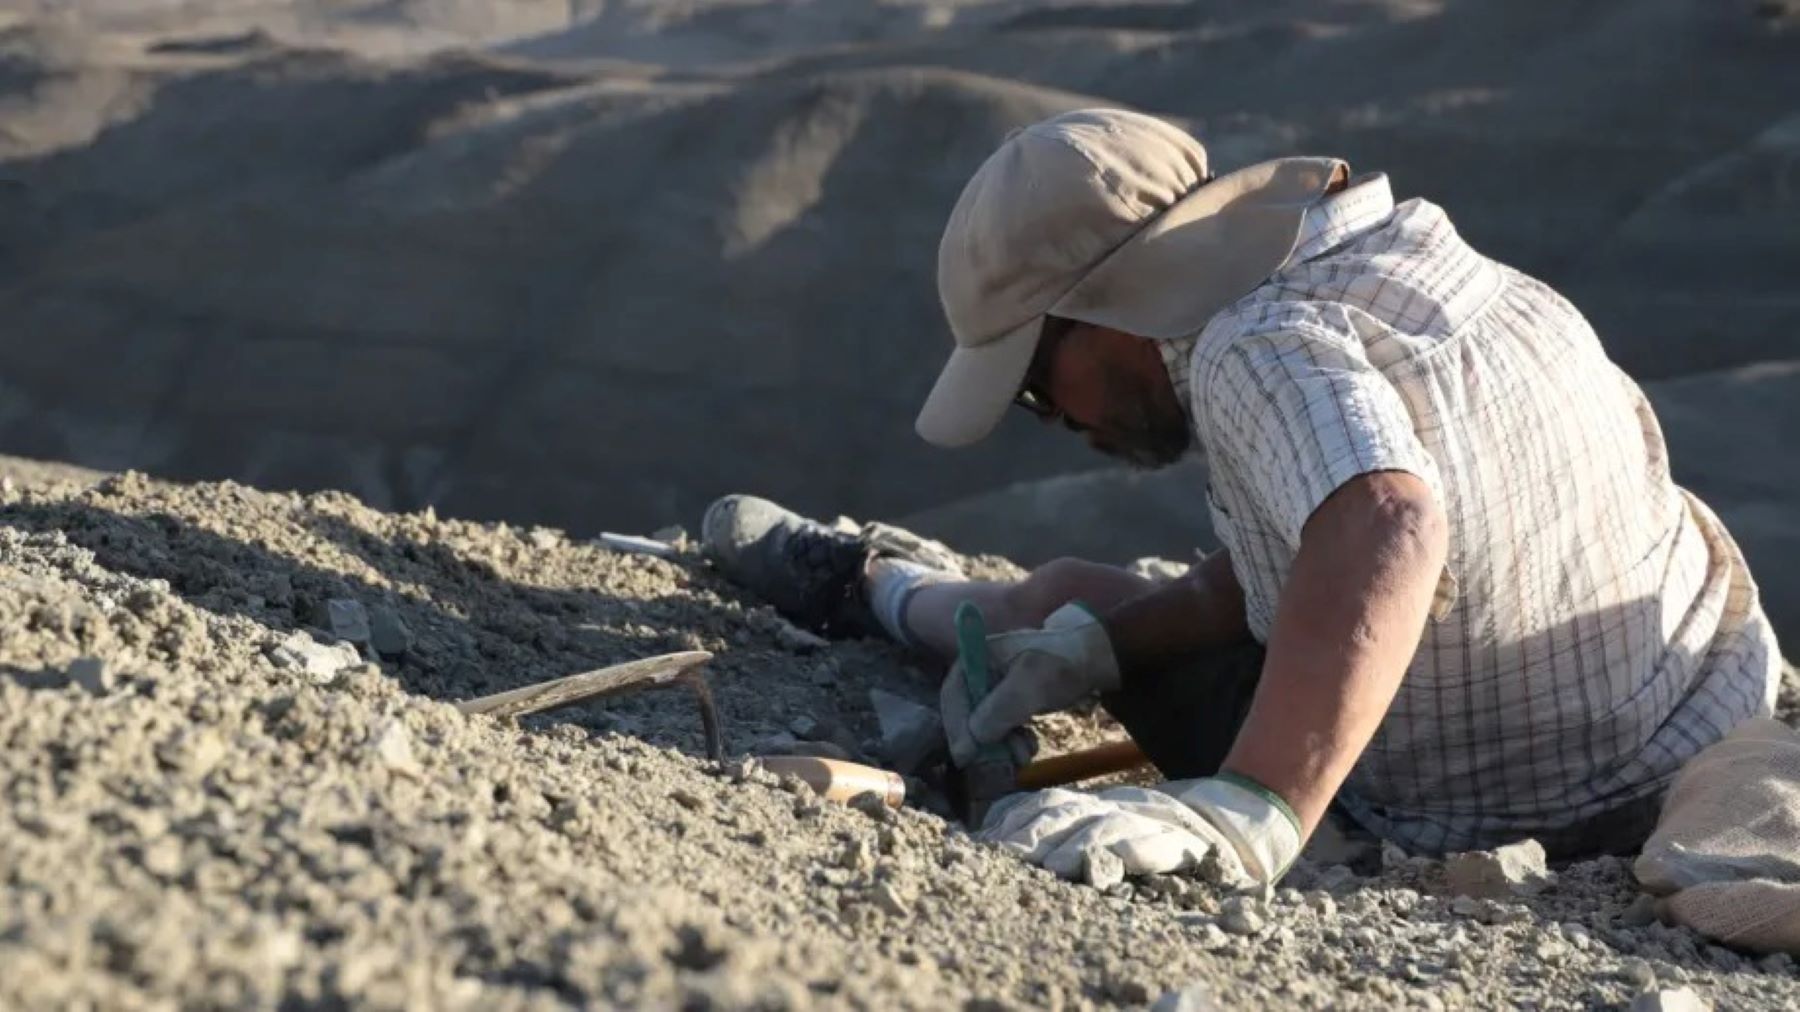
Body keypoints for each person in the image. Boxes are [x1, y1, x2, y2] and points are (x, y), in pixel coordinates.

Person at [703, 108, 1783, 887]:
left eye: (1036, 384)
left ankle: (870, 586)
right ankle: (900, 587)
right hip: (1694, 709)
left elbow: (1389, 524)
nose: (1058, 417)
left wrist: (1257, 808)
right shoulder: (1426, 266)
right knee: (1087, 614)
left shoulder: (1247, 349)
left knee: (1042, 631)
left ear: (1102, 315)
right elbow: (1336, 546)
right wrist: (1111, 649)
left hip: (1512, 796)